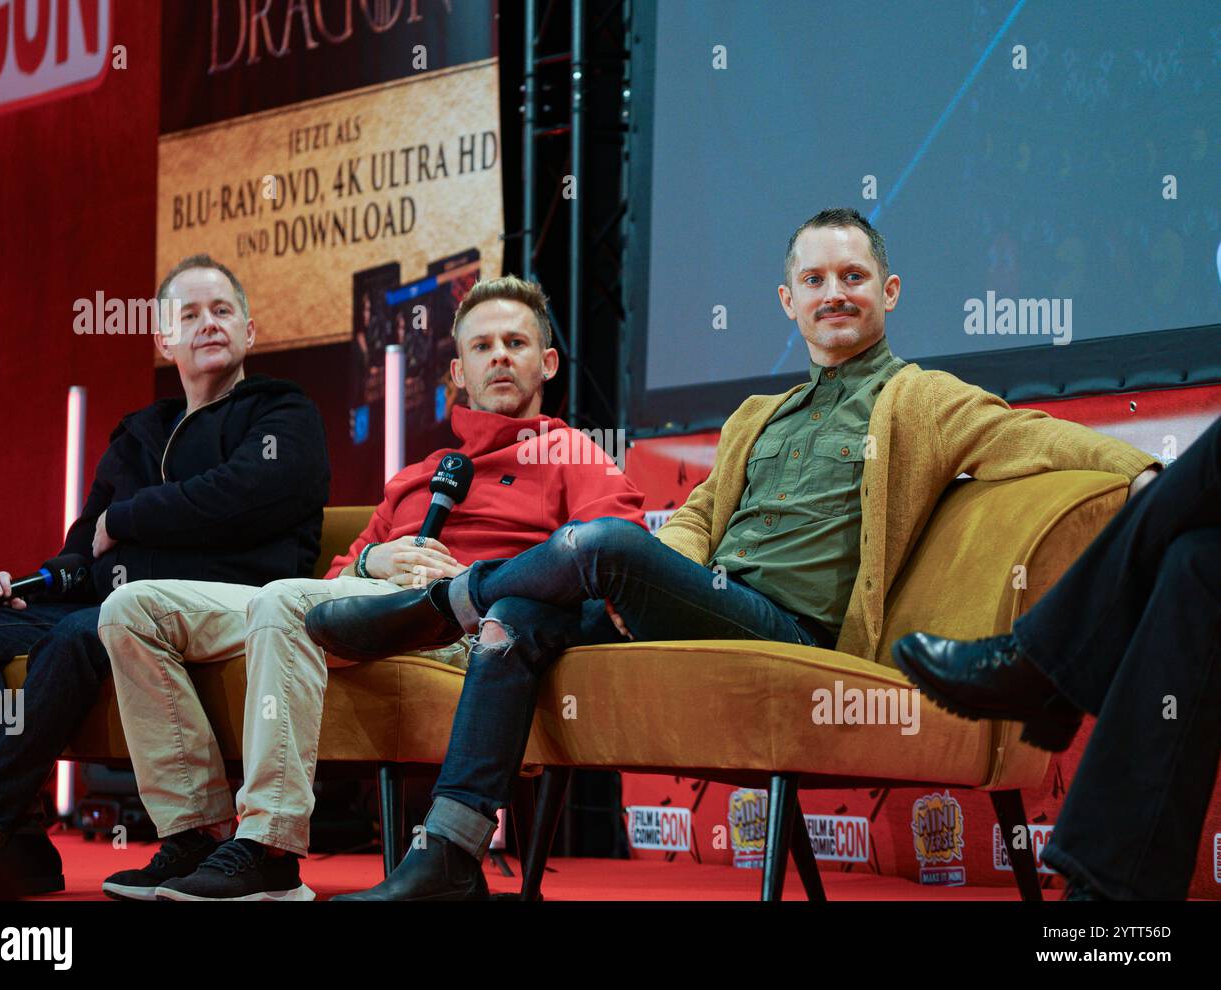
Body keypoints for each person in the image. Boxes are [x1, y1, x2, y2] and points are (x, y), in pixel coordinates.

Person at [305, 207, 1162, 900]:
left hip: (785, 628)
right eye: (816, 280)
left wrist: (1155, 476)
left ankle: (448, 603)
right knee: (521, 618)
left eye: (854, 278)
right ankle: (451, 854)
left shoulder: (919, 398)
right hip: (698, 605)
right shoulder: (757, 415)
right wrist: (634, 590)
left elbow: (1029, 437)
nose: (836, 294)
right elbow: (696, 524)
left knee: (601, 540)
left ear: (889, 292)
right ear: (787, 299)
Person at [96, 275, 646, 901]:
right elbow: (333, 590)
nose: (499, 356)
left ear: (545, 363)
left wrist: (474, 581)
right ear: (458, 371)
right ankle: (195, 834)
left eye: (515, 343)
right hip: (369, 618)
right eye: (482, 345)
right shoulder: (415, 477)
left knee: (283, 601)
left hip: (469, 630)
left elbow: (613, 554)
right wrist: (375, 560)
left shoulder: (570, 452)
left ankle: (269, 851)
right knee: (130, 609)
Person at [0, 254, 330, 894]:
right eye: (189, 315)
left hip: (219, 607)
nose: (209, 324)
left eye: (223, 311)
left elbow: (245, 495)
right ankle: (21, 839)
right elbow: (85, 546)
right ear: (163, 339)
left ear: (249, 331)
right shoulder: (141, 433)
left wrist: (131, 515)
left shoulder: (284, 414)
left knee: (87, 630)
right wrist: (34, 587)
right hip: (104, 606)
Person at [892, 414, 1218, 900]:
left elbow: (1015, 430)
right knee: (1198, 562)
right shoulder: (758, 418)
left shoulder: (909, 396)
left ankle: (1045, 670)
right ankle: (1111, 892)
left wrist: (1138, 473)